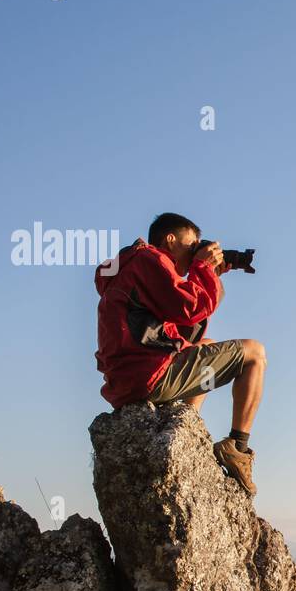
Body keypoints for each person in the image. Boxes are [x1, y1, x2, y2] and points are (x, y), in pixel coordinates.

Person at [94, 212, 265, 495]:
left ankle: (186, 420)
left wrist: (209, 273)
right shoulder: (151, 260)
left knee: (206, 344)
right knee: (255, 354)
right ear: (170, 240)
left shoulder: (128, 265)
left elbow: (188, 330)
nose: (195, 249)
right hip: (149, 377)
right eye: (191, 243)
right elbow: (192, 308)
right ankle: (238, 447)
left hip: (127, 380)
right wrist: (202, 269)